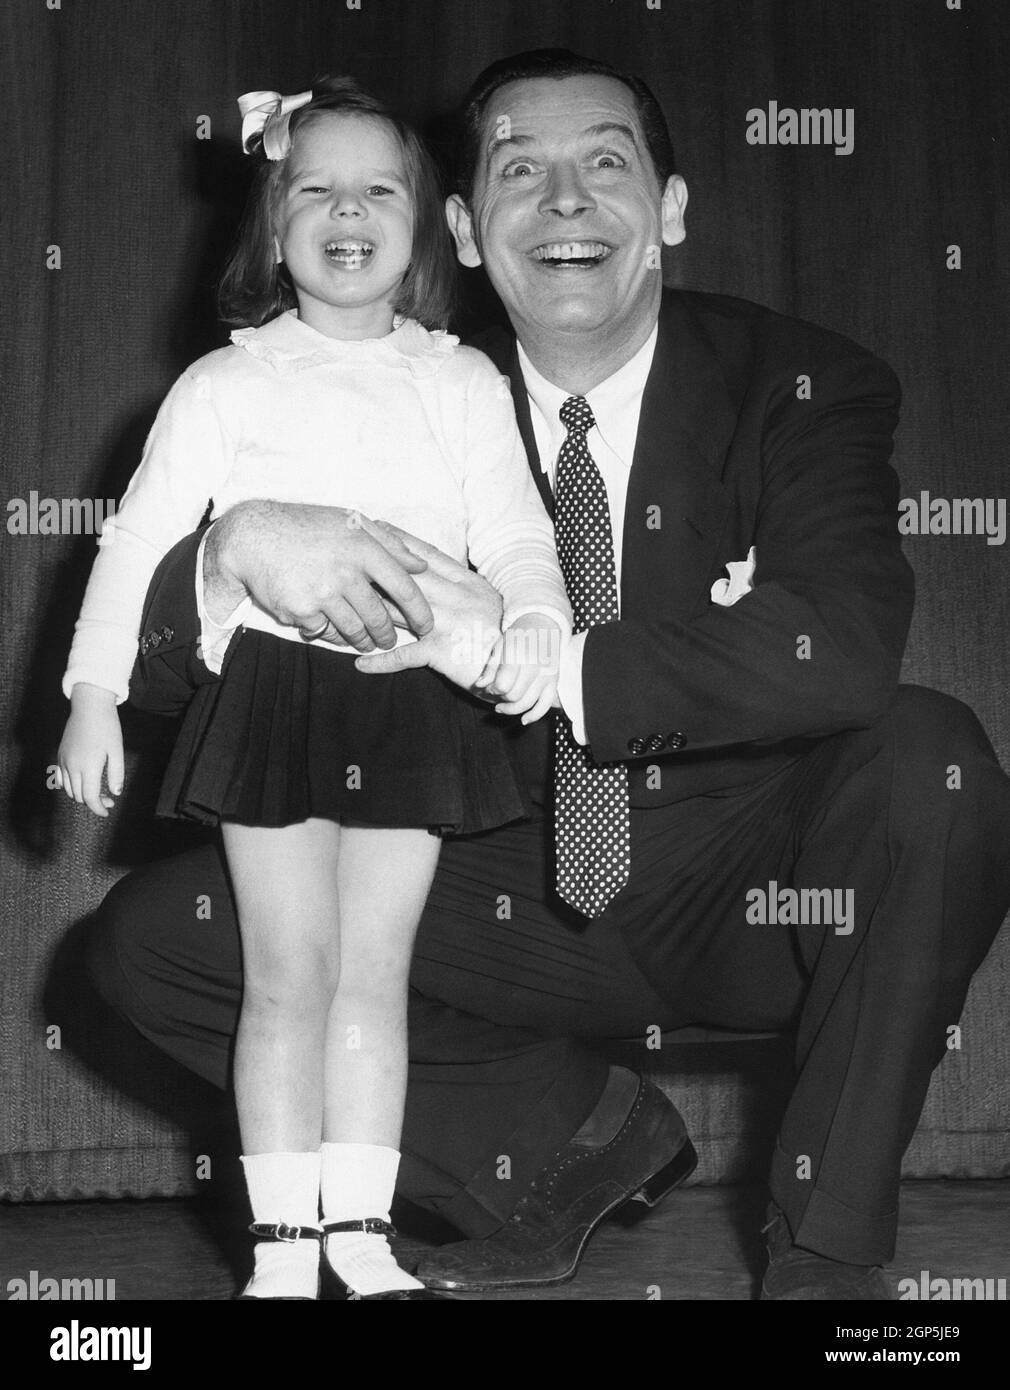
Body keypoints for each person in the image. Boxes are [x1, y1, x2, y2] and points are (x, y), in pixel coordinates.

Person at [87, 50, 1010, 1301]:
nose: (564, 200)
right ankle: (565, 1145)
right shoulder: (394, 384)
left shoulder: (804, 381)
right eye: (520, 170)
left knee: (930, 758)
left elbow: (841, 648)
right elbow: (169, 691)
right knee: (157, 942)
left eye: (605, 164)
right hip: (487, 872)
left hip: (746, 883)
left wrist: (543, 655)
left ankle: (828, 1258)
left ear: (670, 210)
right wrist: (231, 552)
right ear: (461, 229)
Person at [56, 75, 572, 1301]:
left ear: (428, 220)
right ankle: (284, 1248)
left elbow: (513, 536)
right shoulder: (224, 385)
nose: (349, 210)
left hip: (414, 698)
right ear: (272, 224)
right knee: (286, 968)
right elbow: (133, 541)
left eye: (379, 188)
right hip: (276, 699)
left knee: (371, 974)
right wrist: (89, 689)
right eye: (314, 189)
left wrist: (538, 621)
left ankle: (363, 1236)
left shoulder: (458, 382)